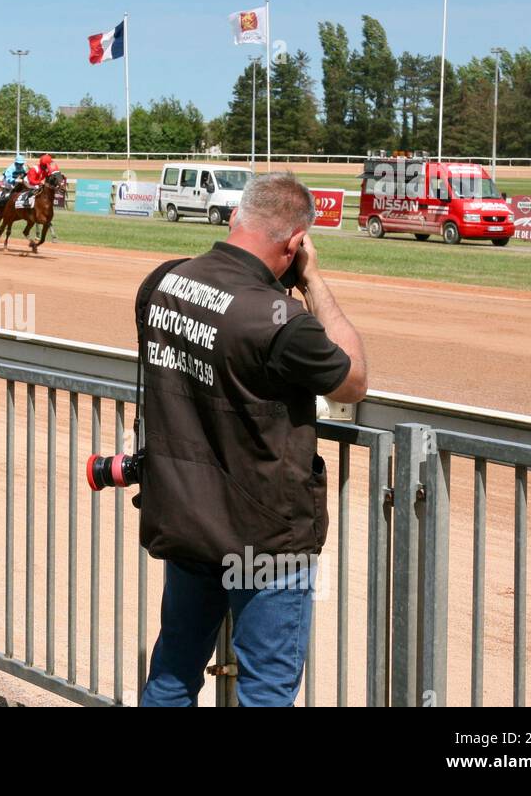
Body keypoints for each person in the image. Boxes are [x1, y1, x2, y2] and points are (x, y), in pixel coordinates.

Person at [135, 172, 367, 707]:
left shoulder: (163, 282)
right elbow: (353, 379)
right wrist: (313, 282)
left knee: (171, 674)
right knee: (266, 692)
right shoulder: (281, 318)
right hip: (265, 538)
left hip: (187, 519)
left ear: (237, 218)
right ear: (295, 243)